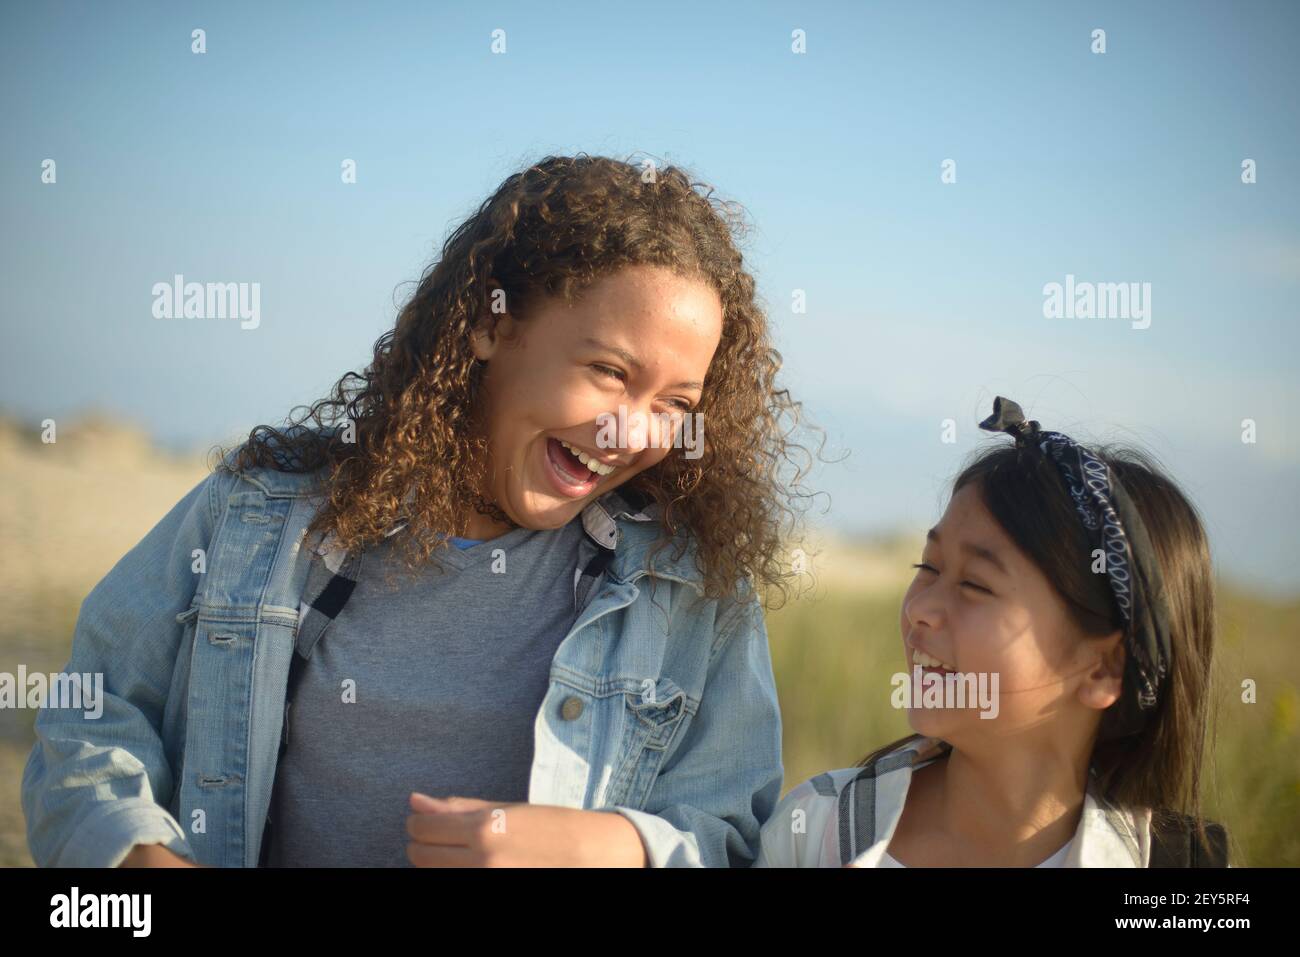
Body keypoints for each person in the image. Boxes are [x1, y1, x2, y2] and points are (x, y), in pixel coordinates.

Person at [22, 154, 820, 868]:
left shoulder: (692, 590)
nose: (633, 432)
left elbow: (732, 838)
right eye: (611, 371)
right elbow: (93, 710)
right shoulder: (259, 510)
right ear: (489, 323)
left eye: (675, 403)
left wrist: (597, 846)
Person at [756, 396, 1229, 868]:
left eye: (975, 585)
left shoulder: (1177, 865)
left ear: (1103, 668)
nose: (920, 608)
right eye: (928, 566)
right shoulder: (818, 832)